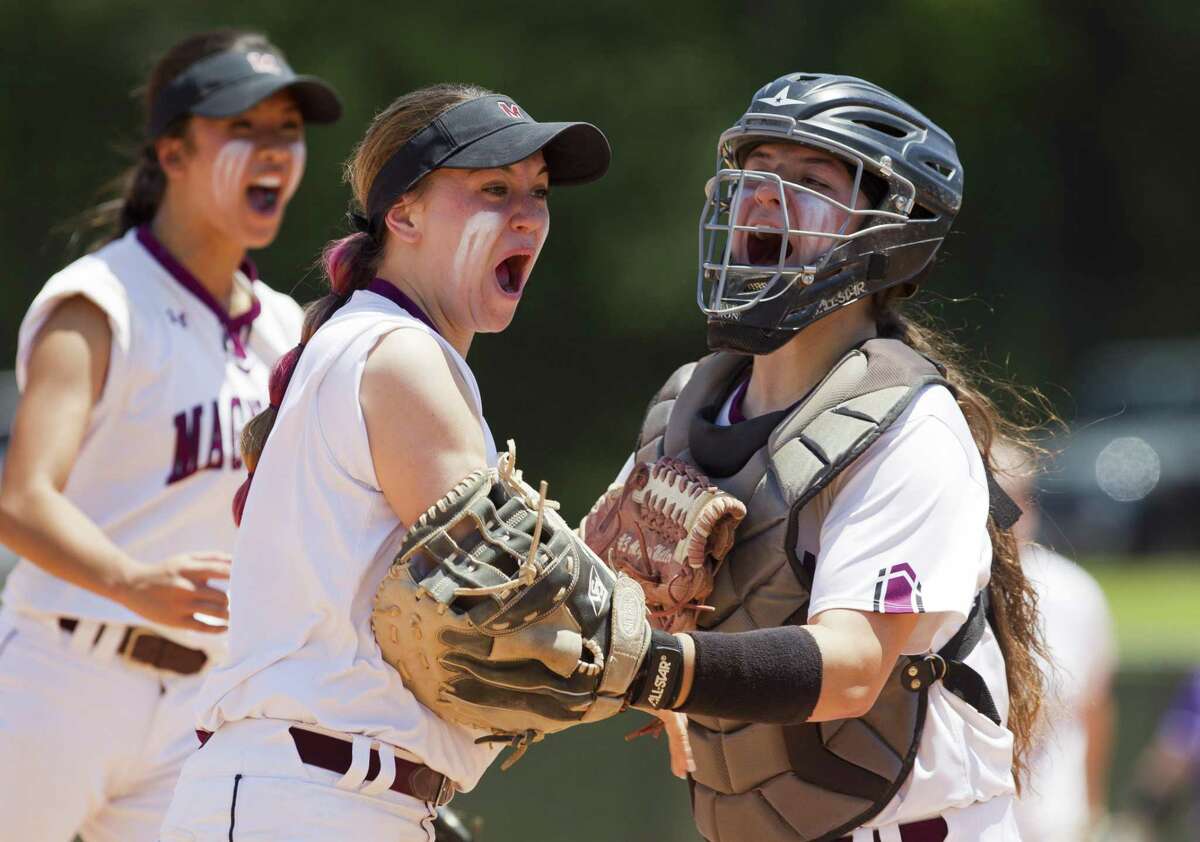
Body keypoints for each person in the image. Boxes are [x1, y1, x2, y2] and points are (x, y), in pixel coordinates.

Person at [584, 72, 1048, 842]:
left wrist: (653, 665)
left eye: (810, 182)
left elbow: (852, 669)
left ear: (887, 233)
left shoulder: (907, 425)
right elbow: (600, 600)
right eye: (756, 172)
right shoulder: (689, 406)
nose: (767, 197)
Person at [158, 84, 610, 841]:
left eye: (538, 191)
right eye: (493, 189)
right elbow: (508, 611)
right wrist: (673, 648)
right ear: (403, 215)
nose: (527, 214)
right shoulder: (398, 354)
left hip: (331, 793)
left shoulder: (379, 341)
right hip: (307, 800)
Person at [0, 28, 340, 842]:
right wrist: (129, 580)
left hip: (197, 707)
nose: (274, 148)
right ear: (173, 152)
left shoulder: (284, 332)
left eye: (288, 128)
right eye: (242, 126)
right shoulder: (100, 300)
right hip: (60, 676)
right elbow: (20, 501)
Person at [996, 447, 1117, 840]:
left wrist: (1094, 811)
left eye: (1019, 498)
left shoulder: (1075, 593)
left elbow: (1095, 709)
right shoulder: (949, 596)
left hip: (1056, 823)